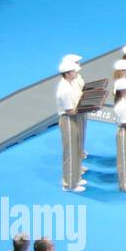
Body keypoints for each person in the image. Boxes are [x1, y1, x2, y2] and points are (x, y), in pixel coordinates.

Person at [56, 55, 86, 192]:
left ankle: (76, 177)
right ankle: (68, 183)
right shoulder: (65, 90)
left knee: (77, 148)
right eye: (74, 71)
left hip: (75, 117)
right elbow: (70, 111)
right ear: (68, 74)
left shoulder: (71, 83)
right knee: (70, 151)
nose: (76, 73)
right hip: (68, 120)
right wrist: (88, 107)